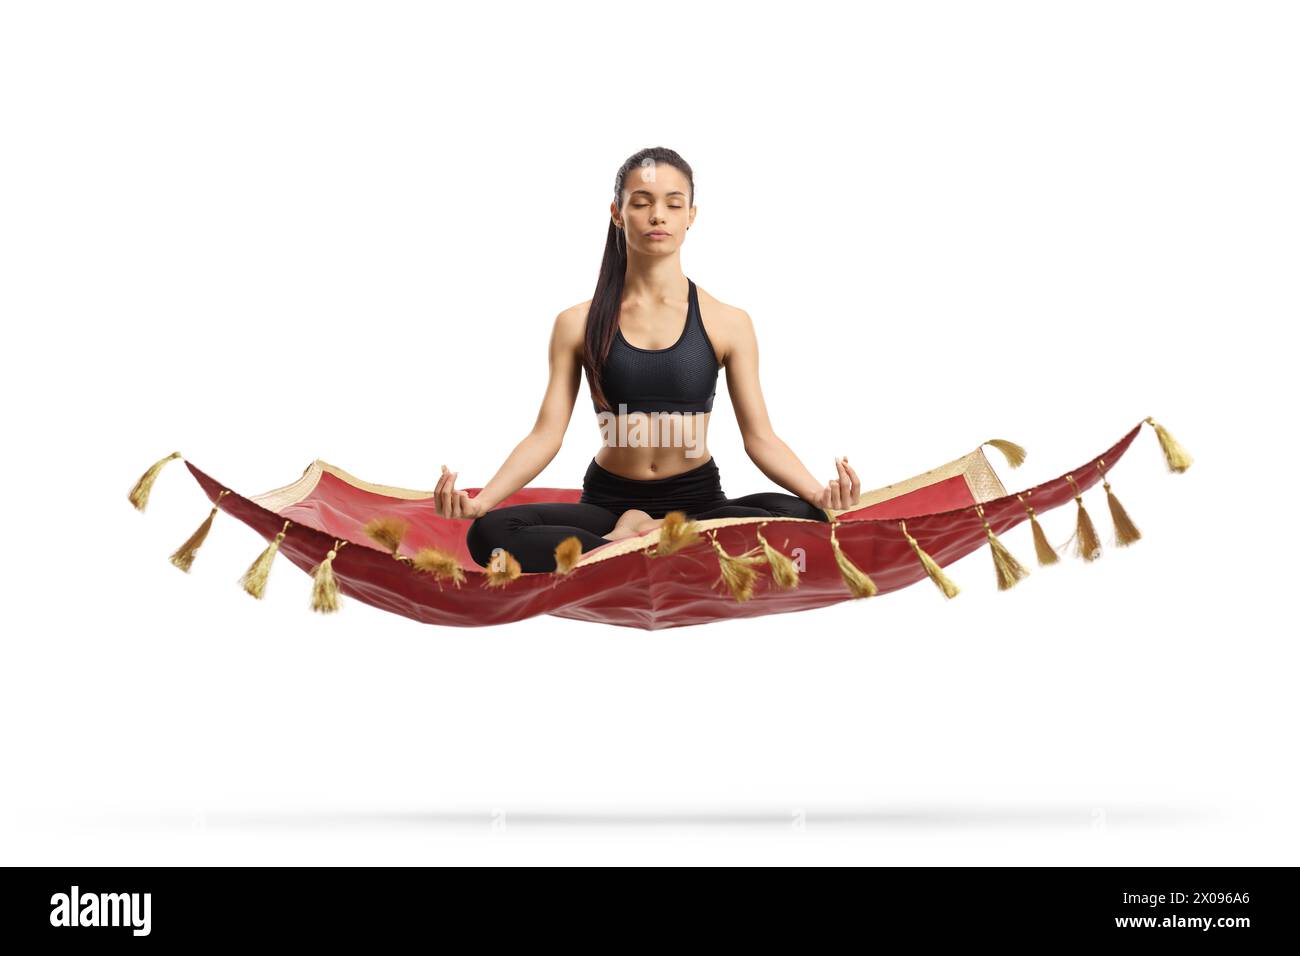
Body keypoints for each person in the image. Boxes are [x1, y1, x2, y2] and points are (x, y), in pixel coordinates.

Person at [437, 146, 863, 572]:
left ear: (690, 215)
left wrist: (819, 493)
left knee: (808, 517)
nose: (658, 215)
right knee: (490, 534)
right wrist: (482, 502)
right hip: (607, 504)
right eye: (641, 203)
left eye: (673, 204)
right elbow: (546, 435)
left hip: (696, 503)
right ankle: (645, 539)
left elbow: (761, 438)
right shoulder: (576, 323)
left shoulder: (728, 322)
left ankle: (637, 536)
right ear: (618, 213)